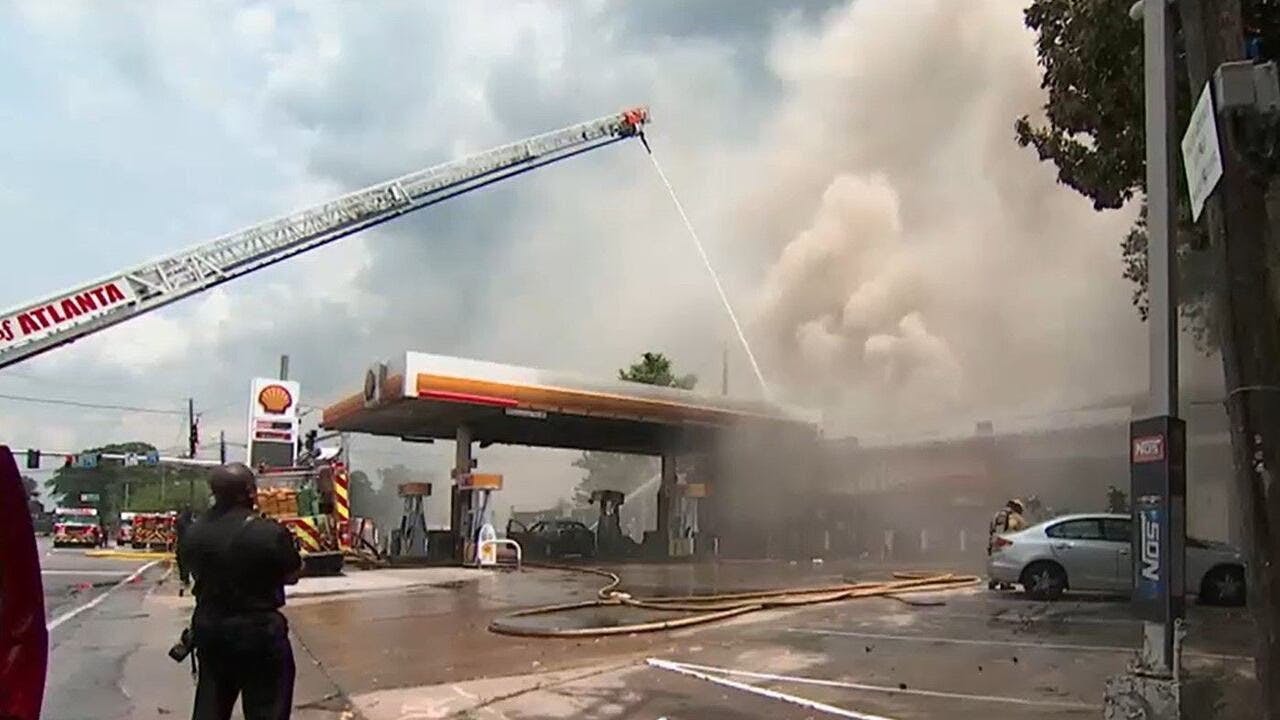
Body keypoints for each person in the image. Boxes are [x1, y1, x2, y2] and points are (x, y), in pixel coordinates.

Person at [179, 464, 302, 720]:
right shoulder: (268, 531)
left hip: (210, 630)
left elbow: (190, 569)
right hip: (259, 633)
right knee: (267, 709)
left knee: (211, 707)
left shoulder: (193, 532)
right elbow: (291, 575)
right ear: (248, 491)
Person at [987, 498, 1026, 590]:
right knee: (1007, 562)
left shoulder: (998, 514)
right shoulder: (1014, 516)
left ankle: (993, 581)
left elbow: (992, 528)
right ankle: (1005, 583)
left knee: (996, 561)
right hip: (1006, 542)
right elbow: (1013, 527)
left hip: (994, 541)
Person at [174, 504, 195, 596]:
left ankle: (184, 581)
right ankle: (188, 582)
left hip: (181, 546)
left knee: (182, 566)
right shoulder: (191, 523)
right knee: (191, 565)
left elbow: (176, 531)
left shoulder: (179, 521)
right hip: (190, 546)